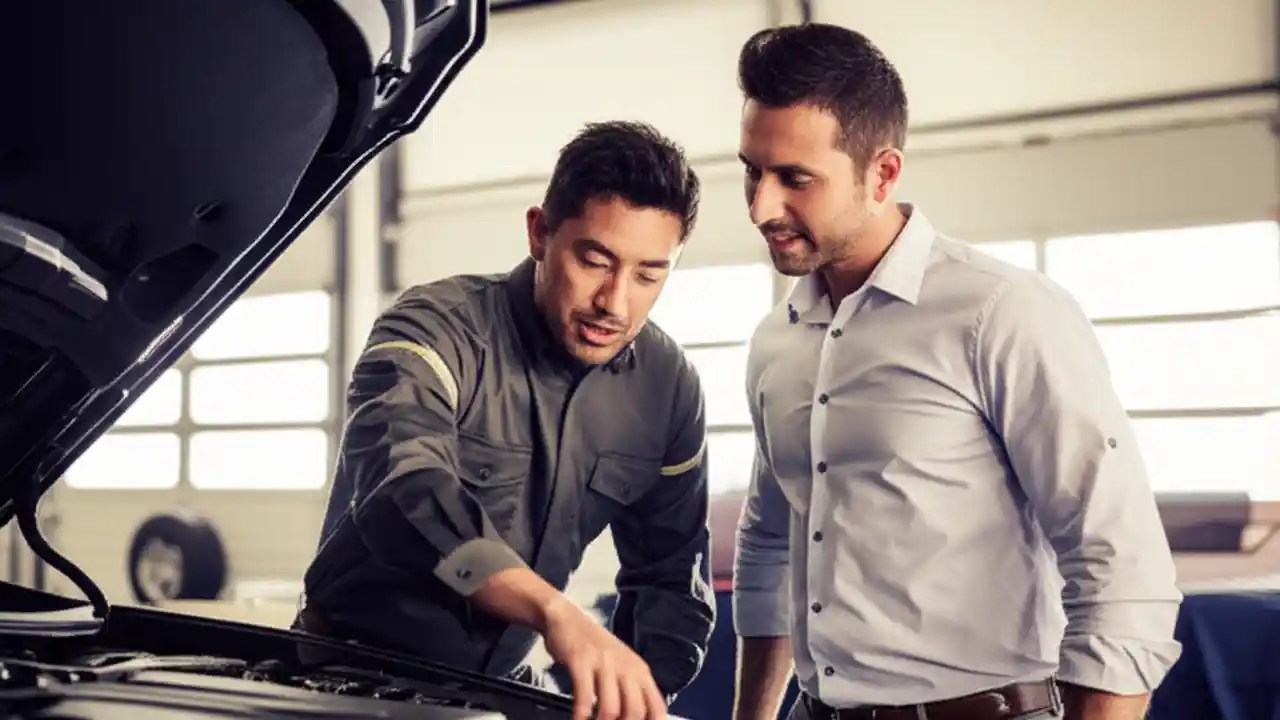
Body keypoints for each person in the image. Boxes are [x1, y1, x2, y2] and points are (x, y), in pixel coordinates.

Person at [730, 23, 1182, 720]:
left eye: (795, 179)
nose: (762, 206)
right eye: (752, 171)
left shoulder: (1003, 312)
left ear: (882, 174)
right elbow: (768, 543)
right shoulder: (777, 339)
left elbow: (1119, 564)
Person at [297, 120, 716, 720]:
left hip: (502, 691)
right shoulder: (434, 328)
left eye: (649, 275)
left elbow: (671, 575)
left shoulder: (669, 386)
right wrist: (552, 610)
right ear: (540, 233)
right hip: (350, 680)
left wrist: (639, 694)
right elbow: (404, 488)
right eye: (596, 261)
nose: (615, 303)